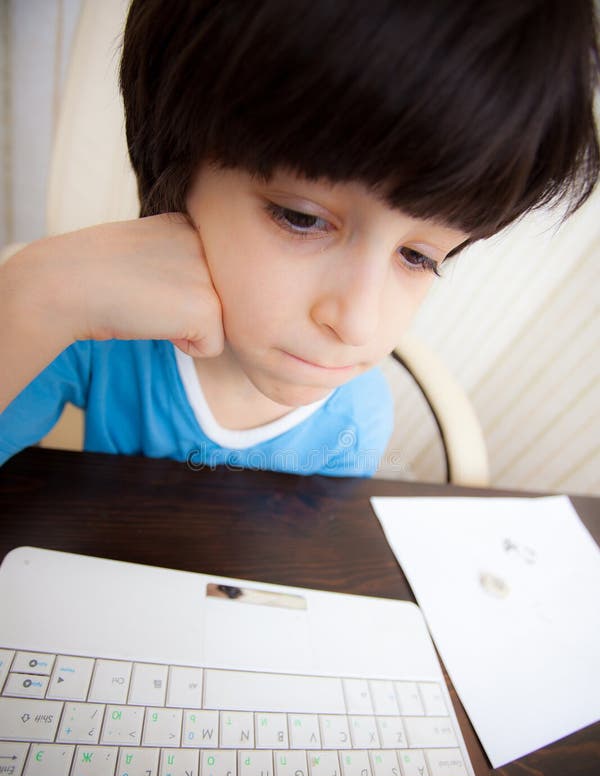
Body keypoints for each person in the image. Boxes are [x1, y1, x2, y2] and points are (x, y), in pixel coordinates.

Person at [0, 0, 598, 476]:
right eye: (303, 219)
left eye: (417, 256)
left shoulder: (355, 420)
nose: (357, 323)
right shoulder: (100, 331)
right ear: (177, 173)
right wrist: (33, 294)